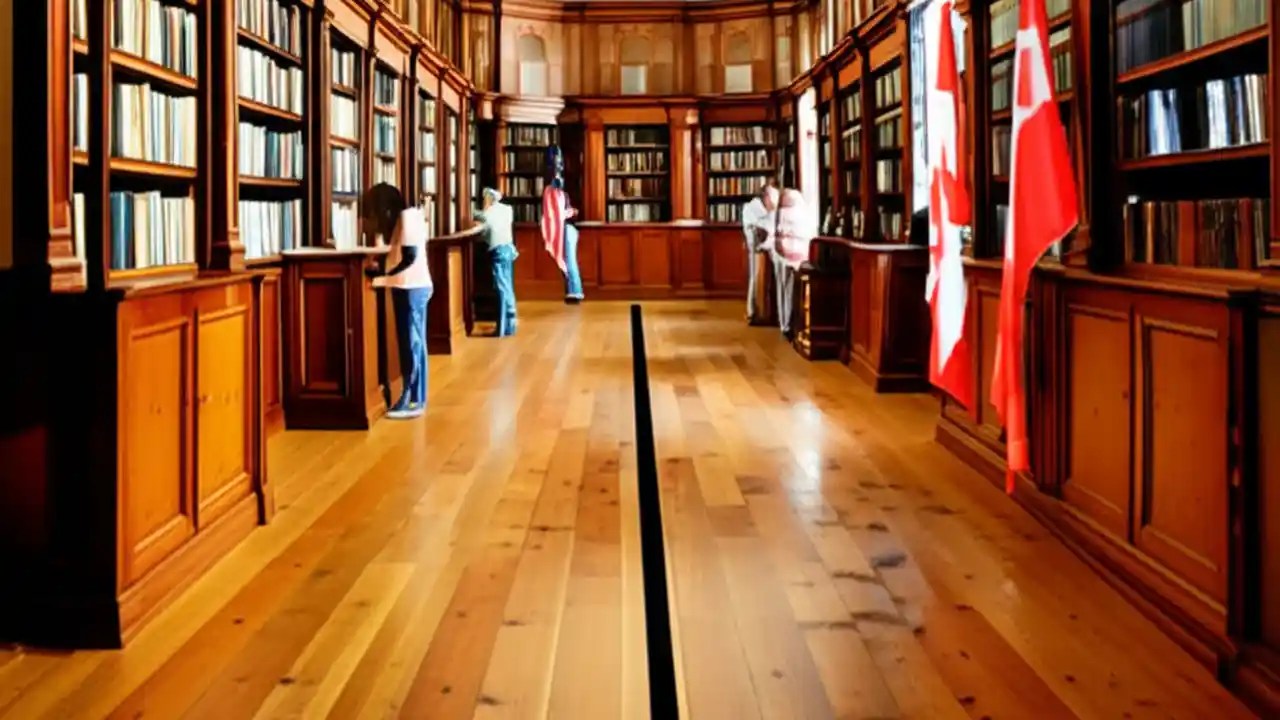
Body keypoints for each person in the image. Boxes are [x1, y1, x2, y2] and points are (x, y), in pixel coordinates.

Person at [364, 183, 432, 419]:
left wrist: (382, 280)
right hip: (408, 286)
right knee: (412, 344)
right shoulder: (408, 218)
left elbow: (409, 259)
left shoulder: (407, 218)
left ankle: (411, 400)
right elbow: (400, 256)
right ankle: (415, 397)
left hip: (411, 286)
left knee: (412, 345)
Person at [770, 188, 819, 338]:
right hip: (797, 256)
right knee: (789, 291)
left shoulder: (780, 213)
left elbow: (776, 232)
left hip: (783, 255)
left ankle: (785, 324)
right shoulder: (802, 212)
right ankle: (789, 324)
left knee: (783, 289)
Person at [540, 145, 584, 303]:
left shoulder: (554, 190)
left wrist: (569, 212)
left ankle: (575, 292)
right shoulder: (557, 190)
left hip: (567, 228)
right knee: (568, 260)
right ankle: (572, 291)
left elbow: (557, 214)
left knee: (569, 260)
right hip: (568, 227)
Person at [475, 188, 518, 336]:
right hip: (509, 249)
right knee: (508, 286)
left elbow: (484, 229)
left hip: (498, 250)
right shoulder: (507, 210)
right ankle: (510, 325)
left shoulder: (488, 213)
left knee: (501, 288)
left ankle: (501, 329)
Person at [741, 184, 779, 324]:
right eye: (773, 199)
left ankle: (766, 312)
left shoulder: (768, 210)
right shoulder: (752, 208)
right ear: (766, 197)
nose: (775, 204)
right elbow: (758, 231)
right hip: (758, 250)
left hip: (766, 249)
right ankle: (754, 312)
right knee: (756, 277)